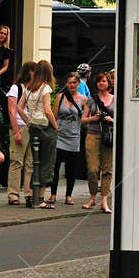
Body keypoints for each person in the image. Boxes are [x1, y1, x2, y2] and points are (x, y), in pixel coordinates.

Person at [22, 61, 57, 209]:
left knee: (34, 162)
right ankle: (40, 198)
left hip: (33, 128)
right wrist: (56, 126)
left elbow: (18, 107)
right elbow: (48, 111)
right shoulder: (46, 88)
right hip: (45, 128)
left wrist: (28, 121)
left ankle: (30, 195)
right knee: (46, 163)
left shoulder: (28, 88)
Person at [51, 72, 86, 205]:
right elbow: (54, 116)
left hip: (74, 136)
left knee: (71, 168)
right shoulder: (60, 97)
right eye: (69, 82)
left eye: (74, 82)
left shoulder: (83, 99)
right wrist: (54, 130)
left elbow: (84, 118)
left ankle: (68, 196)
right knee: (56, 166)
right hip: (60, 135)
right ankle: (53, 194)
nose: (71, 85)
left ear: (78, 84)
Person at [82, 70, 114, 213]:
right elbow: (82, 119)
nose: (102, 83)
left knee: (107, 169)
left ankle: (104, 200)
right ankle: (92, 196)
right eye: (99, 81)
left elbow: (123, 118)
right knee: (93, 168)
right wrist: (94, 118)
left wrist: (111, 119)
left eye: (104, 81)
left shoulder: (115, 99)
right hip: (93, 135)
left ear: (108, 83)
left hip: (108, 136)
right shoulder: (91, 100)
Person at [6, 61, 35, 206]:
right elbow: (12, 110)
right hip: (20, 126)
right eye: (34, 71)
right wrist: (16, 131)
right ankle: (13, 194)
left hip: (32, 127)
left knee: (30, 163)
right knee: (17, 161)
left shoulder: (34, 89)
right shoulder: (16, 88)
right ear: (28, 72)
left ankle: (28, 193)